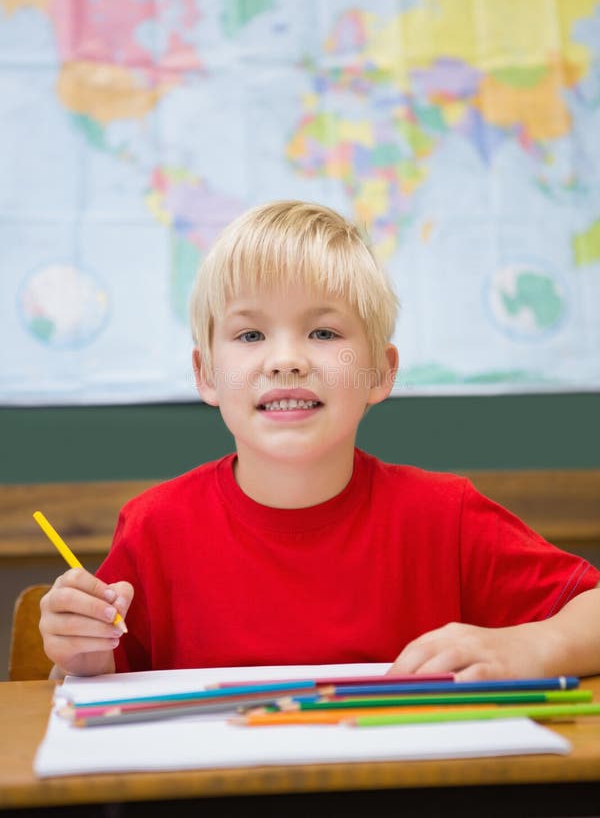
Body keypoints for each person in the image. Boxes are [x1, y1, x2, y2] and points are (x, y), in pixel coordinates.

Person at [39, 200, 600, 680]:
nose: (286, 360)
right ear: (206, 373)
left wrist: (532, 647)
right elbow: (97, 675)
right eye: (250, 333)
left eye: (324, 332)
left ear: (381, 372)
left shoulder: (445, 518)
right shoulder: (155, 528)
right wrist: (81, 650)